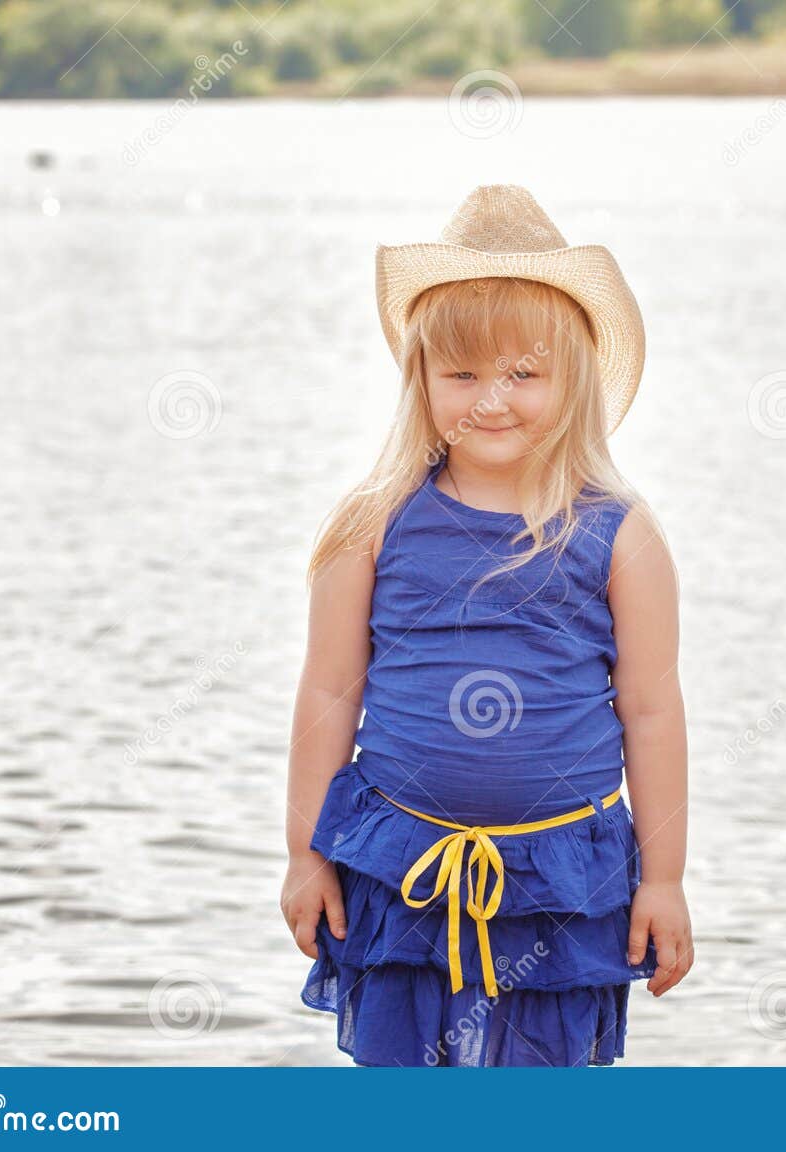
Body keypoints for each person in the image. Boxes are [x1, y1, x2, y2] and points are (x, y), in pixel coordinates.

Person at [281, 185, 692, 1067]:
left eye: (523, 373)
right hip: (400, 869)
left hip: (559, 884)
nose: (492, 399)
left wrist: (663, 879)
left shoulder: (619, 534)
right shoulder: (372, 523)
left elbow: (652, 713)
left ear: (570, 376)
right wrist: (304, 855)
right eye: (462, 373)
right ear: (420, 379)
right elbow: (327, 691)